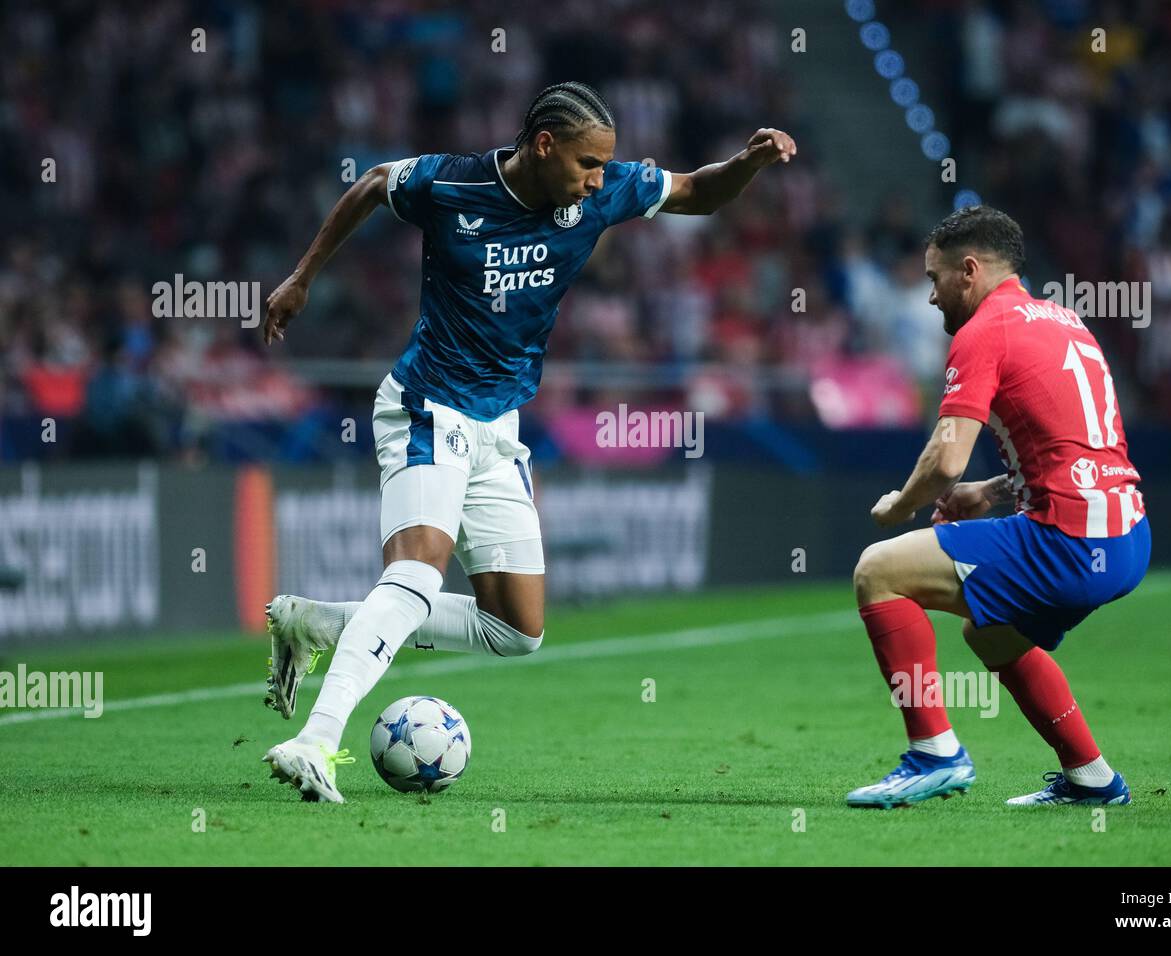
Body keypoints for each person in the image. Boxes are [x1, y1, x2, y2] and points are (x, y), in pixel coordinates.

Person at [258, 81, 796, 802]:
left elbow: (698, 191)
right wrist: (301, 278)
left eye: (605, 166)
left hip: (498, 425)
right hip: (427, 407)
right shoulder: (449, 184)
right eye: (586, 163)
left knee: (516, 629)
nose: (599, 179)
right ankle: (315, 741)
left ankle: (318, 622)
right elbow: (373, 183)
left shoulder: (598, 197)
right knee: (416, 577)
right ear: (544, 145)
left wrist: (749, 162)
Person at [847, 205, 1149, 809]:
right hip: (1129, 538)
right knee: (990, 635)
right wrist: (986, 494)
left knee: (877, 571)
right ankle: (1093, 778)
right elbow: (1069, 445)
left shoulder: (984, 330)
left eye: (934, 280)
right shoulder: (1065, 321)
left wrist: (901, 505)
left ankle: (934, 754)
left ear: (969, 270)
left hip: (1067, 541)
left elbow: (945, 458)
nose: (930, 297)